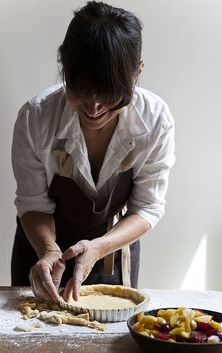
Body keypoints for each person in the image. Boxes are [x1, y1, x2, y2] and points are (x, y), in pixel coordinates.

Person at [11, 1, 175, 303]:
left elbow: (148, 207)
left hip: (112, 249)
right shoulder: (36, 117)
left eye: (111, 92)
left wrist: (100, 246)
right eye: (81, 89)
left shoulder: (155, 120)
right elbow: (32, 201)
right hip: (40, 250)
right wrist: (49, 251)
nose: (95, 106)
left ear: (137, 74)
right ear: (65, 67)